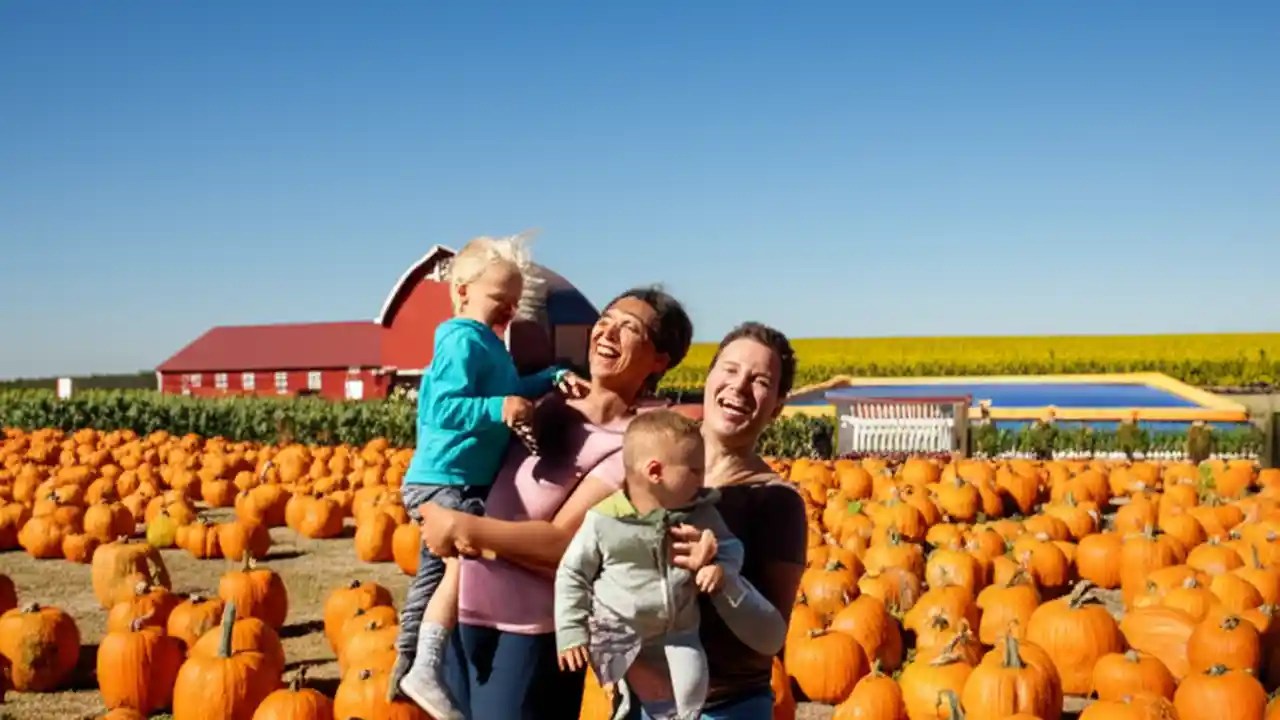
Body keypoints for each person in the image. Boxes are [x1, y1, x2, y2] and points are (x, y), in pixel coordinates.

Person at [417, 286, 695, 719]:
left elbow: (567, 545)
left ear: (659, 360)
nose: (608, 331)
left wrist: (461, 529)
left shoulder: (635, 446)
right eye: (607, 318)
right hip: (460, 613)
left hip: (530, 633)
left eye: (630, 328)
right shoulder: (543, 399)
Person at [391, 234, 589, 718]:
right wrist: (499, 407)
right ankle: (426, 666)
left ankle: (408, 664)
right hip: (445, 479)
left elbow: (513, 387)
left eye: (515, 304)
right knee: (461, 561)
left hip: (458, 479)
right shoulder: (461, 339)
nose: (509, 312)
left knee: (433, 578)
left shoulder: (488, 345)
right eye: (500, 301)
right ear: (461, 292)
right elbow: (442, 407)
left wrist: (551, 379)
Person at [556, 409, 744, 720]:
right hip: (623, 633)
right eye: (695, 470)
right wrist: (570, 631)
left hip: (680, 632)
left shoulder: (700, 513)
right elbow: (573, 573)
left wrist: (721, 567)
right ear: (655, 472)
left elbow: (729, 546)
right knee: (621, 700)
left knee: (689, 695)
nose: (703, 478)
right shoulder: (605, 520)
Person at [663, 321, 809, 719]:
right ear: (708, 378)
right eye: (729, 370)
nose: (739, 387)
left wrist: (722, 579)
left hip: (723, 707)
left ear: (777, 407)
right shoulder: (652, 464)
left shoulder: (776, 502)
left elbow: (769, 641)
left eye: (760, 380)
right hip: (641, 701)